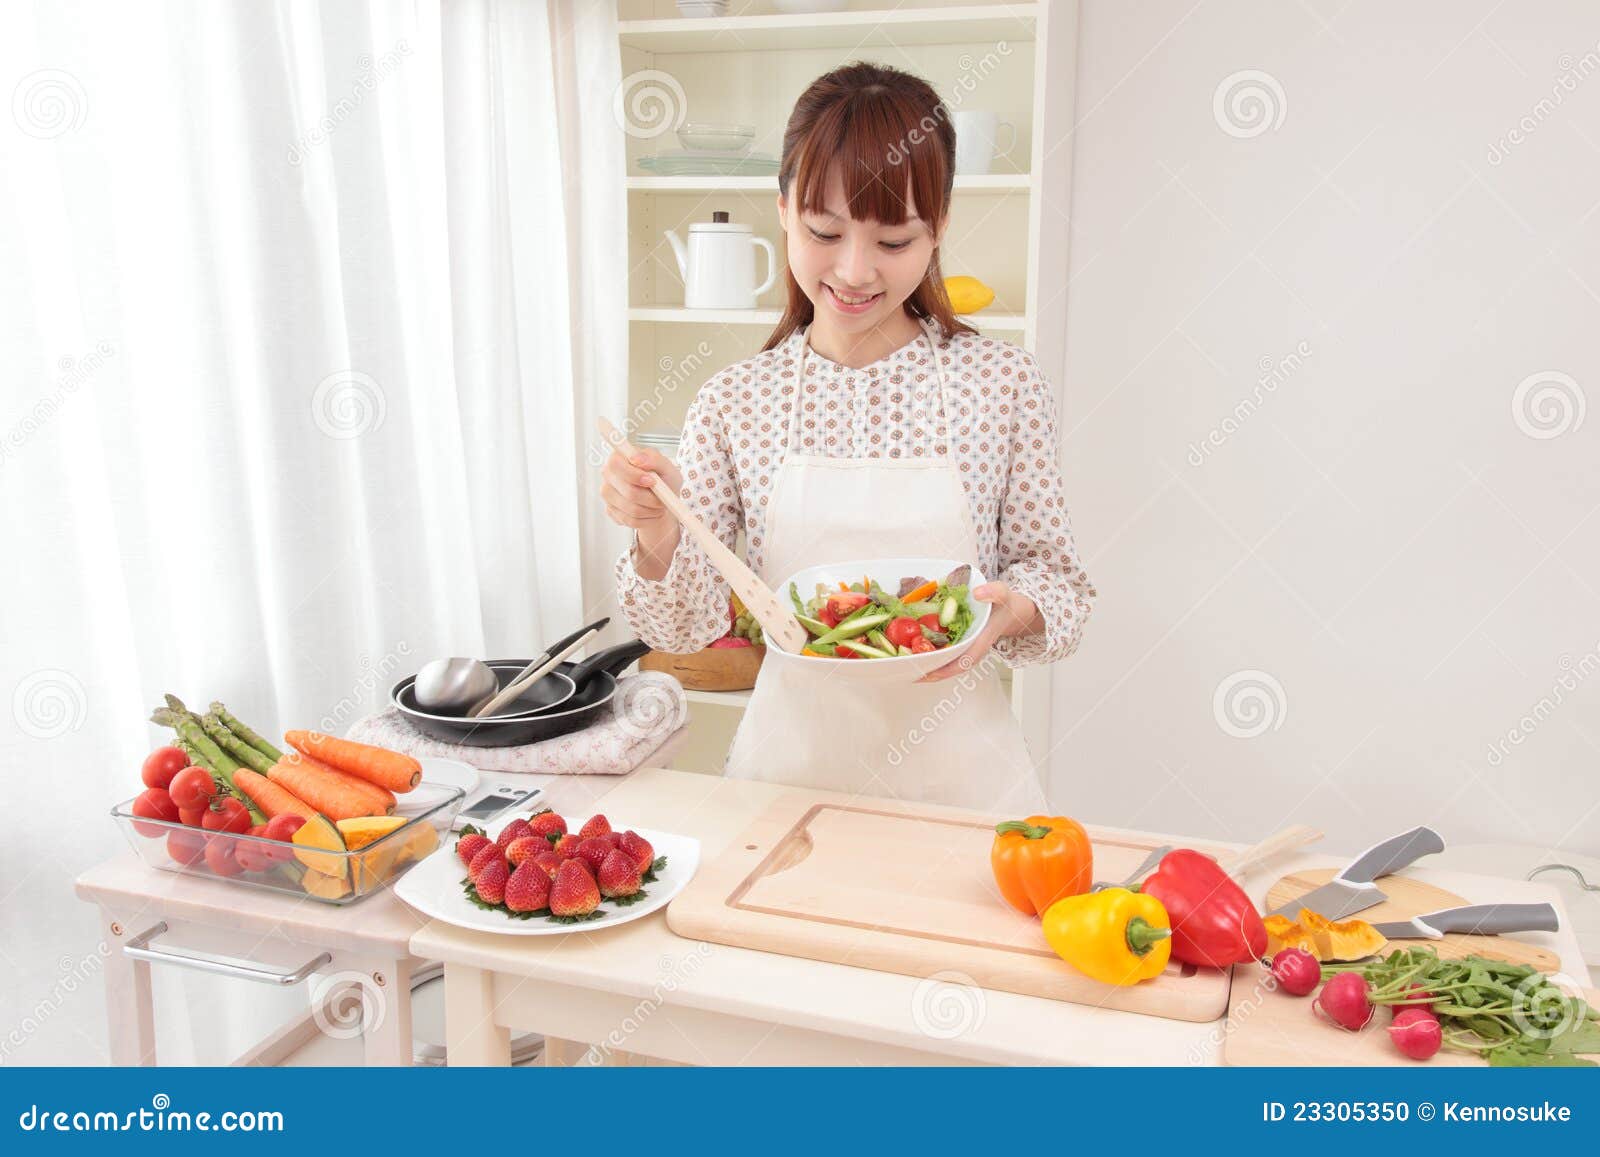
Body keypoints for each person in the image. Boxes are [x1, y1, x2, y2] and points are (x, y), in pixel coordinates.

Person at [603, 63, 1095, 812]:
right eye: (823, 232)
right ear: (782, 212)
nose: (855, 270)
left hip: (965, 788)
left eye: (894, 240)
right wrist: (658, 533)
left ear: (939, 230)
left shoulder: (1003, 384)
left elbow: (1061, 585)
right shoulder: (736, 399)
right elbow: (685, 624)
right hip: (785, 787)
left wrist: (1010, 610)